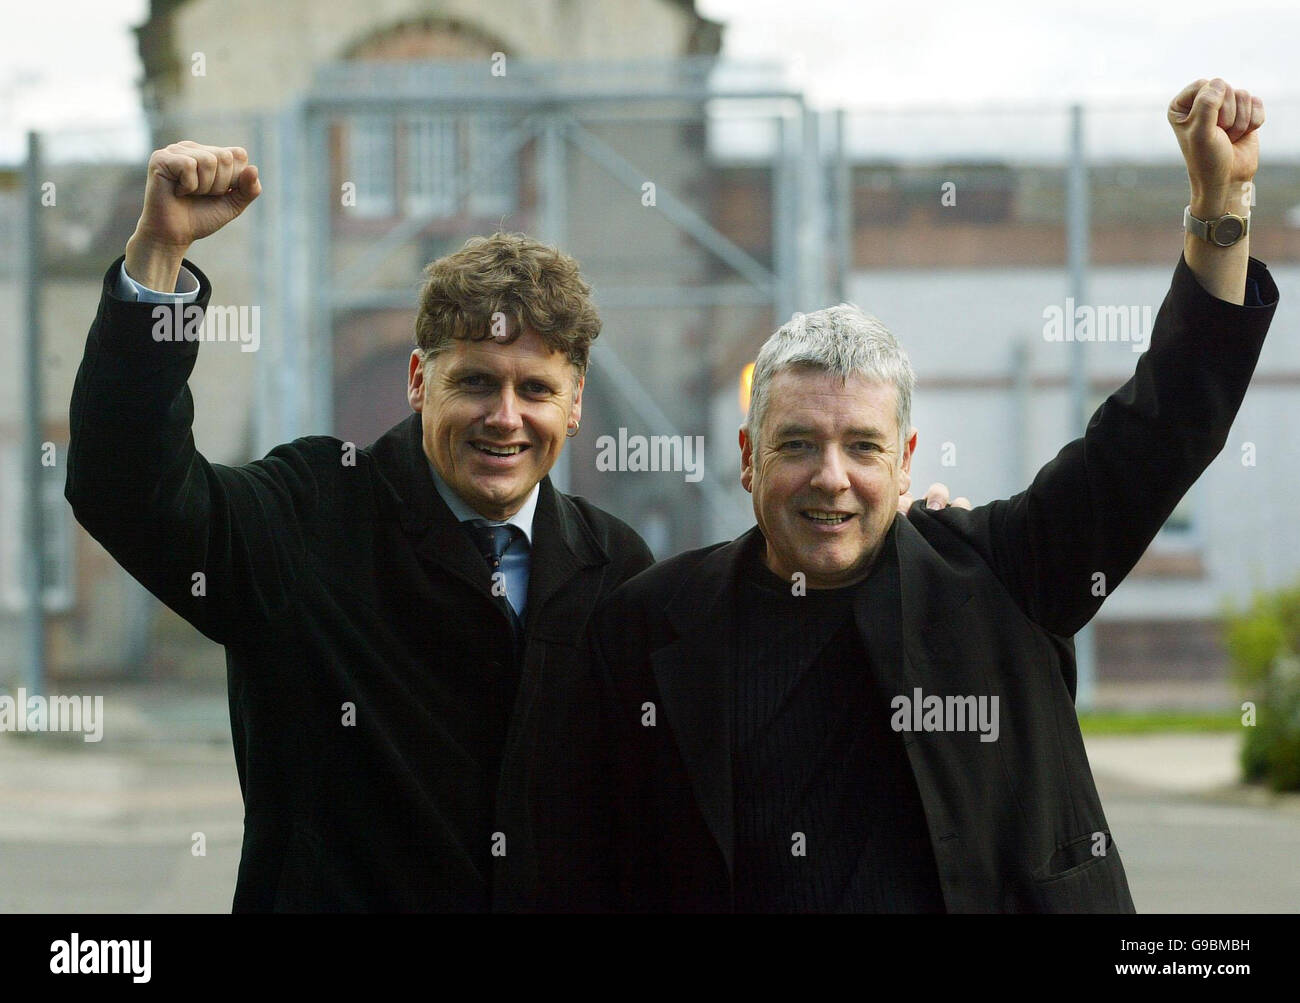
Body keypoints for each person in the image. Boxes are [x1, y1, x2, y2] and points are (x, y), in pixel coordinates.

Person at [587, 78, 1279, 912]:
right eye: (798, 444)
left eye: (863, 446)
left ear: (907, 461)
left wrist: (1222, 198)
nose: (832, 476)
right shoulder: (649, 623)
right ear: (747, 456)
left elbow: (1162, 425)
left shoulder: (1004, 574)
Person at [63, 143, 662, 911]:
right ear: (419, 380)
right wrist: (158, 255)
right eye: (475, 380)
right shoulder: (311, 514)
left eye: (535, 389)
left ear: (574, 406)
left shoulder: (617, 566)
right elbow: (126, 487)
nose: (505, 417)